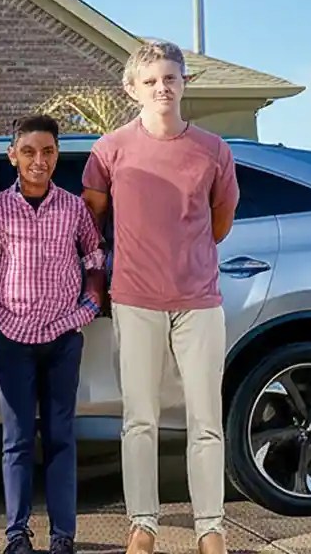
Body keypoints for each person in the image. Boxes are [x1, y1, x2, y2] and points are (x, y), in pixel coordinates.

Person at [80, 40, 240, 554]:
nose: (161, 88)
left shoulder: (213, 150)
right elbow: (91, 221)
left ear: (184, 82)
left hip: (199, 302)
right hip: (135, 300)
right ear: (132, 89)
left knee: (205, 421)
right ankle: (142, 525)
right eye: (150, 81)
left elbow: (219, 224)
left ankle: (210, 527)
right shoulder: (110, 150)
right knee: (140, 420)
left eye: (170, 78)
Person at [0, 114, 106, 554]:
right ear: (13, 155)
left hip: (63, 338)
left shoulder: (74, 209)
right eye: (28, 152)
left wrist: (88, 306)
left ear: (56, 156)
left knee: (61, 437)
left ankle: (63, 537)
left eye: (47, 152)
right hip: (12, 340)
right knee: (17, 441)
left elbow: (95, 260)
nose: (38, 161)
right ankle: (16, 535)